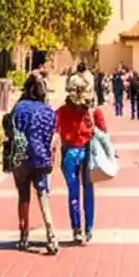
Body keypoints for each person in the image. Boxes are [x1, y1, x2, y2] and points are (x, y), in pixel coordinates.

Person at [6, 75, 59, 254]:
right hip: (41, 158)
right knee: (43, 194)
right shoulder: (48, 111)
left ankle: (24, 235)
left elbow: (9, 128)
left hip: (21, 158)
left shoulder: (19, 108)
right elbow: (52, 134)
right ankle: (51, 233)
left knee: (23, 195)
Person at [57, 78, 107, 245]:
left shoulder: (61, 111)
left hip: (69, 153)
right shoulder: (94, 112)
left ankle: (77, 229)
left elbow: (56, 130)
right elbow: (104, 132)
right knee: (88, 191)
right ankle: (88, 229)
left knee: (73, 192)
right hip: (88, 153)